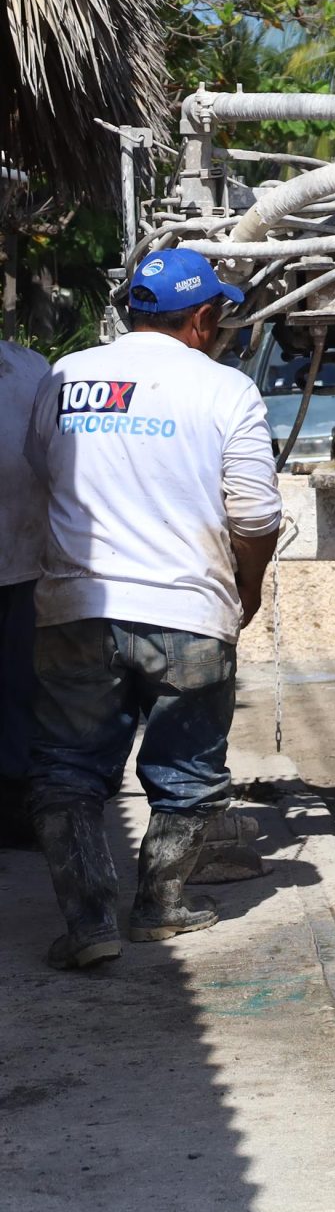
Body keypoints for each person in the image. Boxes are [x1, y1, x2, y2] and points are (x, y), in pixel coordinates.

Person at [23, 248, 282, 969]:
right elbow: (256, 515)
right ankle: (161, 905)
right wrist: (247, 587)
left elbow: (46, 469)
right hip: (188, 611)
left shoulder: (67, 375)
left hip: (76, 605)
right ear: (202, 318)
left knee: (69, 769)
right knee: (188, 768)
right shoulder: (226, 391)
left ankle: (88, 924)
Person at [0, 336, 48, 852]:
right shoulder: (31, 366)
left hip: (24, 563)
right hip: (25, 558)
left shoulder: (30, 366)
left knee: (21, 689)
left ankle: (15, 801)